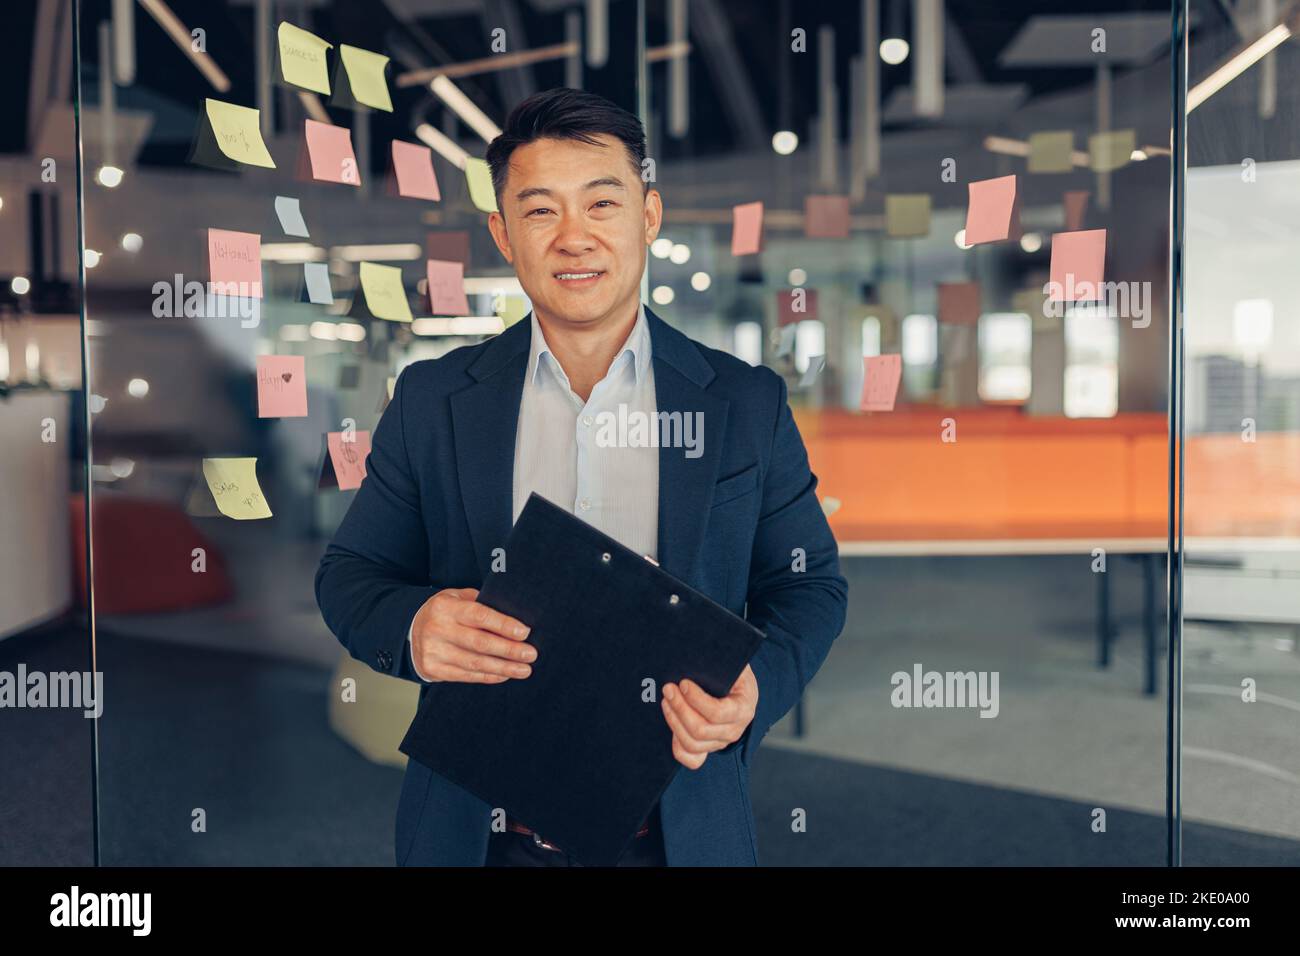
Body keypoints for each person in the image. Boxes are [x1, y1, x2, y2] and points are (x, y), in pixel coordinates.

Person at [314, 87, 847, 866]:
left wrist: (755, 687)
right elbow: (351, 575)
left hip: (677, 832)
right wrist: (413, 627)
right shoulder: (434, 399)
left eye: (602, 204)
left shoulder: (742, 403)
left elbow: (811, 586)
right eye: (539, 212)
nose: (574, 239)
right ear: (502, 233)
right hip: (477, 833)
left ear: (649, 217)